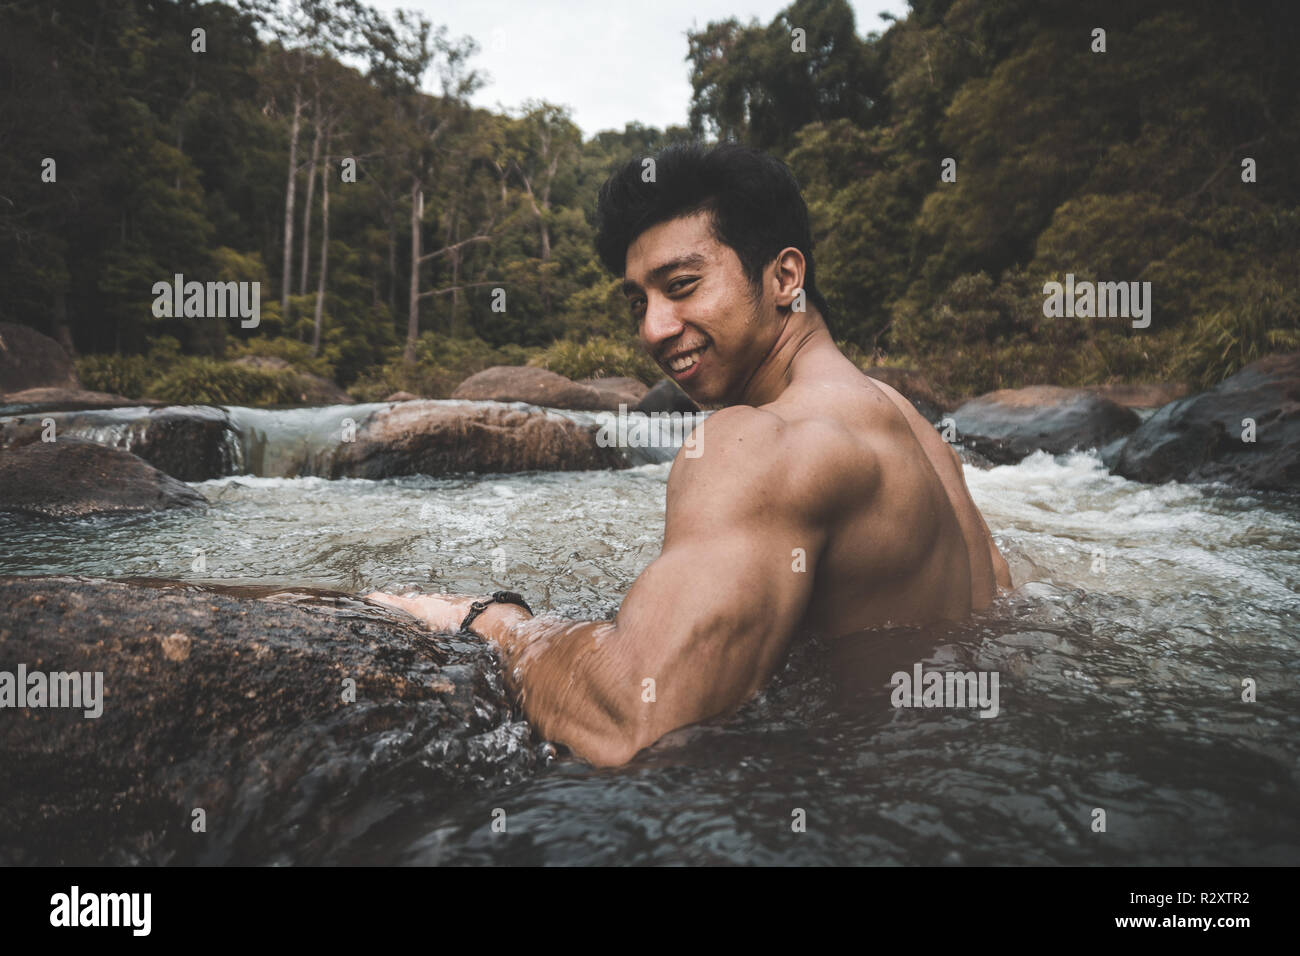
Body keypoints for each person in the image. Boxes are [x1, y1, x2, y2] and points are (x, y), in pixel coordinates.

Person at [368, 143, 1011, 767]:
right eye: (640, 301)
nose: (653, 328)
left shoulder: (759, 441)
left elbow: (639, 720)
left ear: (785, 276)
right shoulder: (911, 426)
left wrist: (492, 621)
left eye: (681, 285)